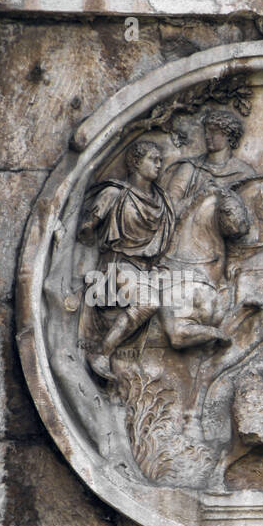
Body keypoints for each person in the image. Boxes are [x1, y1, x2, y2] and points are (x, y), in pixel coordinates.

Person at [79, 139, 177, 380]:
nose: (159, 164)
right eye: (152, 159)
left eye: (161, 160)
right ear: (135, 162)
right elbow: (85, 231)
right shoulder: (114, 193)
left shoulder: (161, 202)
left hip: (148, 268)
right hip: (118, 265)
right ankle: (102, 352)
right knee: (149, 303)